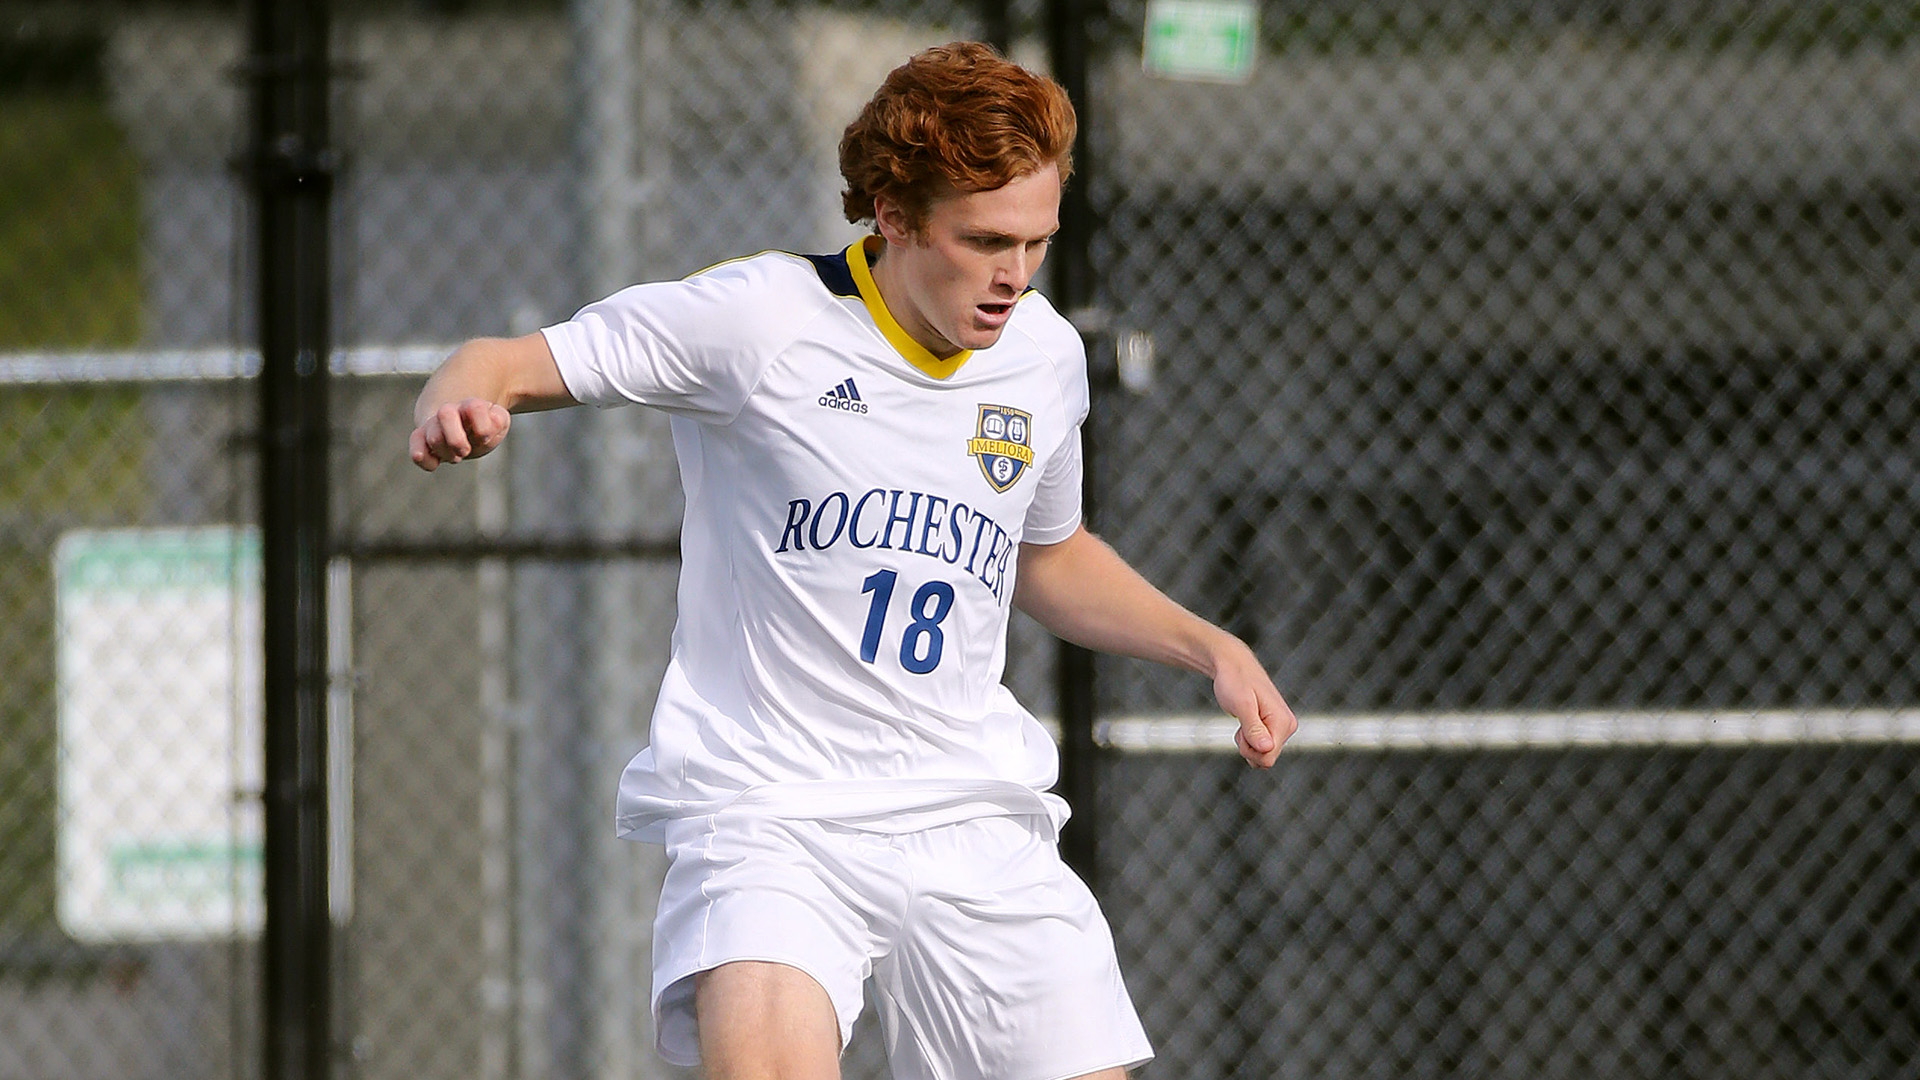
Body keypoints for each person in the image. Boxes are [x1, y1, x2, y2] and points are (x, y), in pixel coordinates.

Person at [409, 41, 1294, 1080]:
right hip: (772, 815)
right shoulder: (758, 321)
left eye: (1037, 242)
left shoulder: (1045, 358)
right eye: (985, 240)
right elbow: (503, 362)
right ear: (893, 212)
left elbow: (1045, 556)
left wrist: (1212, 650)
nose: (1015, 274)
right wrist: (457, 398)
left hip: (969, 809)